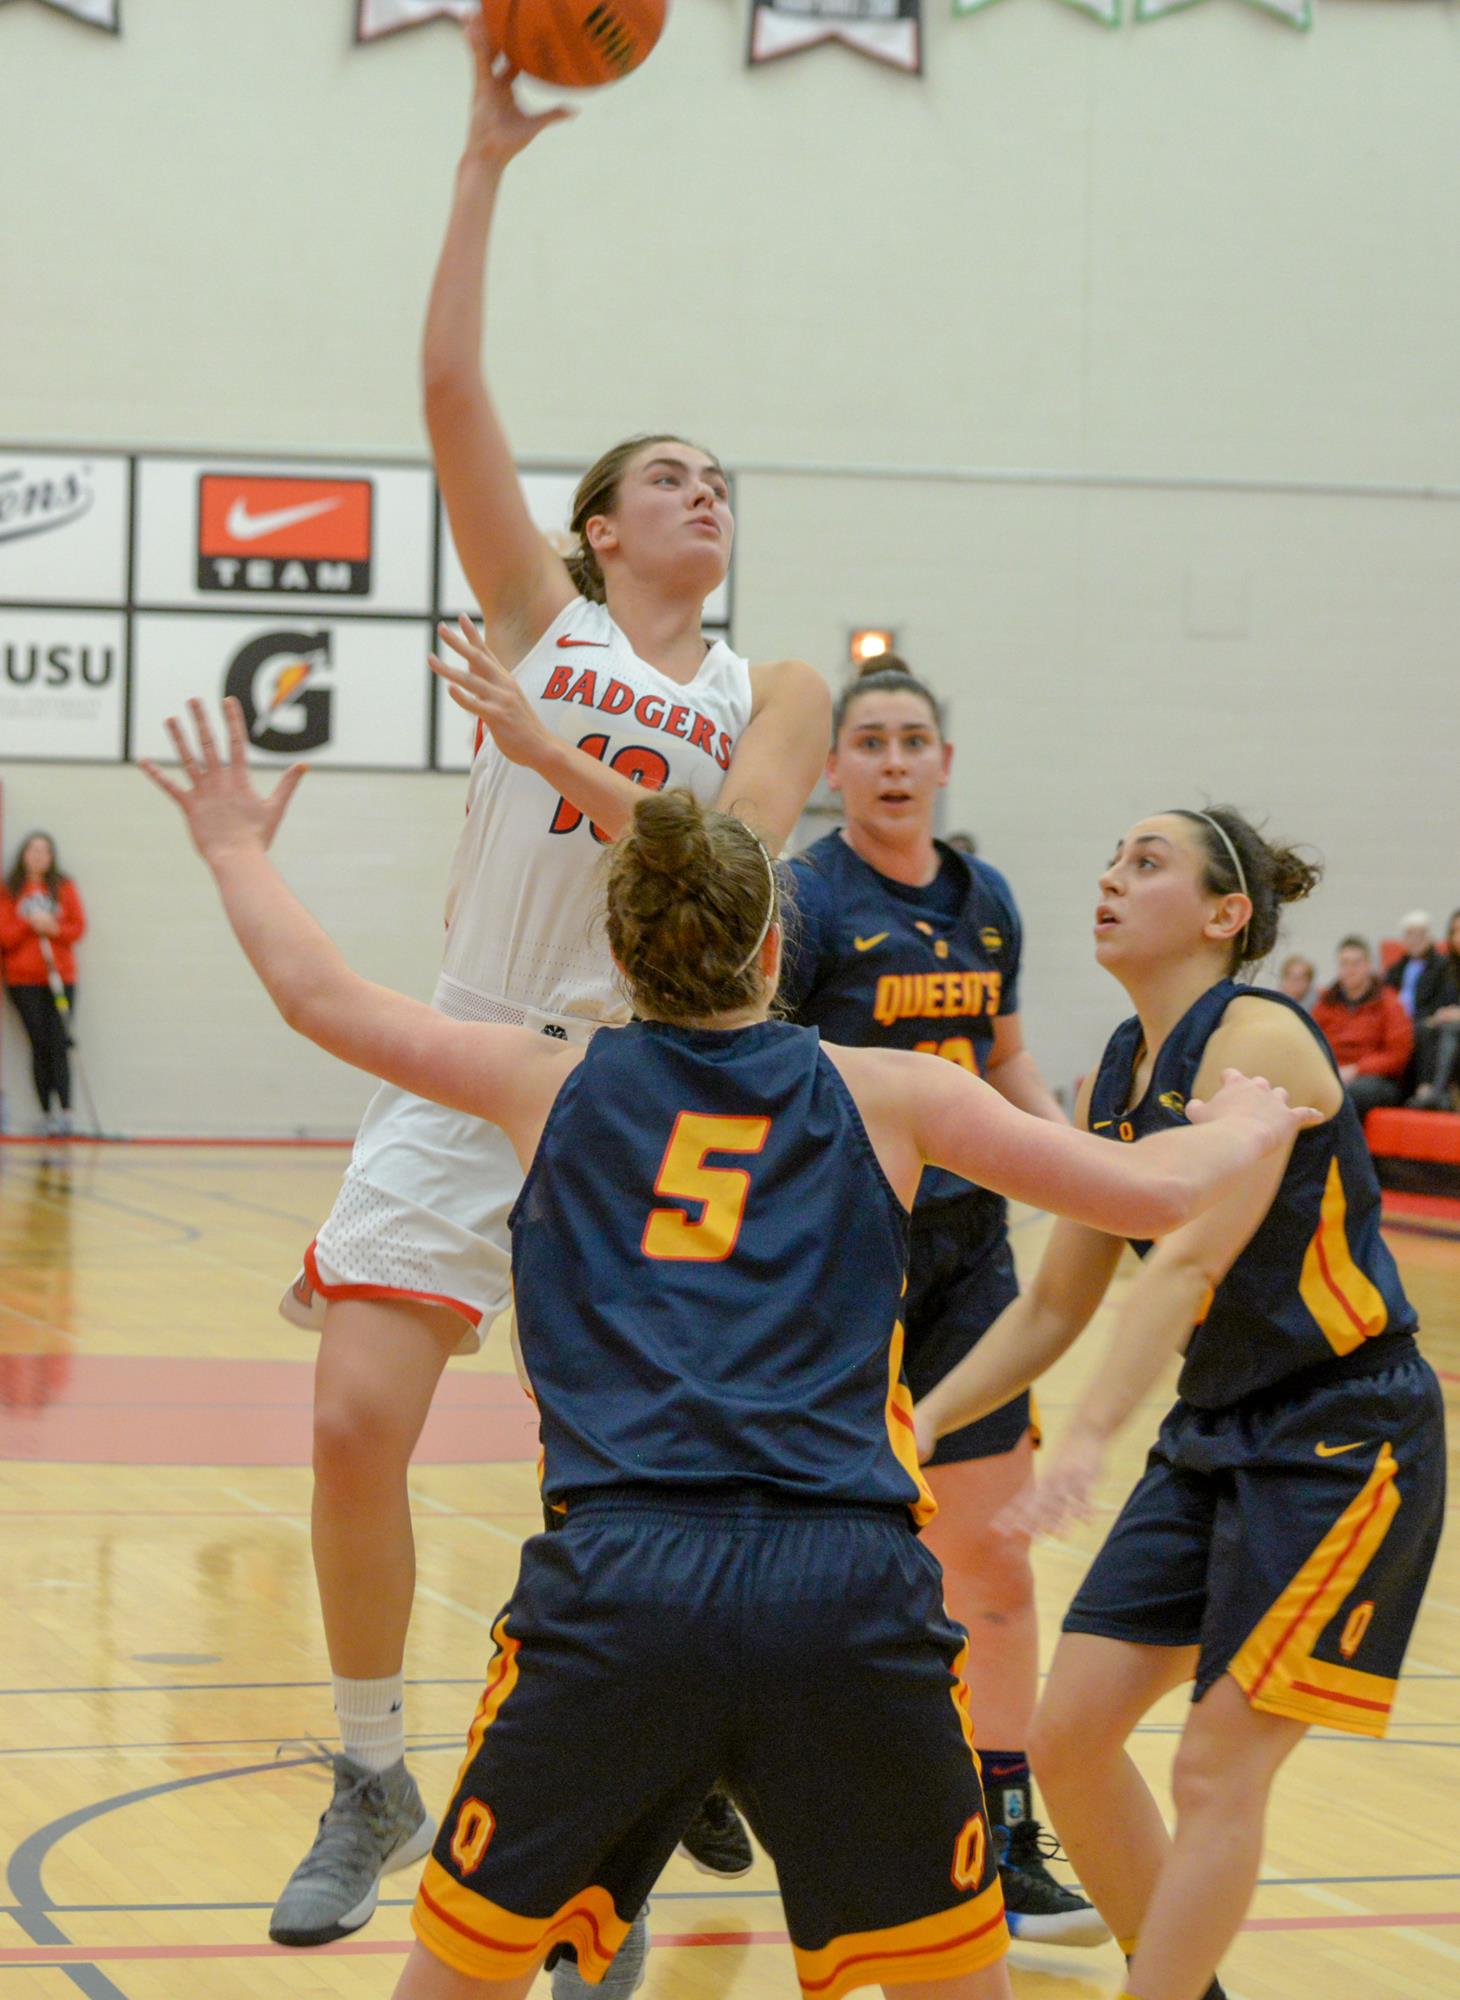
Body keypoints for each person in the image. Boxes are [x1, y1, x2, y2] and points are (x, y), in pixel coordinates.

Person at [142, 704, 1316, 2000]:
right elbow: (1145, 1196)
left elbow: (318, 997)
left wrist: (236, 845)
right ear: (775, 943)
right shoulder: (892, 1091)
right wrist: (1249, 1125)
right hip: (847, 1584)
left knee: (461, 1980)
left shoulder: (547, 1076)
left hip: (620, 1583)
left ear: (618, 943)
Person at [266, 22, 830, 1956]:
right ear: (598, 528)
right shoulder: (555, 620)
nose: (702, 494)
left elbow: (725, 871)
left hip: (662, 1081)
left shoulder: (772, 688)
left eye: (716, 482)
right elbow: (444, 387)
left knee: (641, 1478)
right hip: (477, 1042)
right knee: (354, 1421)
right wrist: (483, 162)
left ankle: (675, 1768)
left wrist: (557, 757)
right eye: (666, 477)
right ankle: (367, 1768)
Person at [914, 807, 1446, 2000]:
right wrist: (928, 1416)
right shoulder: (1120, 1062)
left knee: (1214, 1768)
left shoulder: (1261, 1043)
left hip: (1343, 1433)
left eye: (1144, 863)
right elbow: (1053, 1303)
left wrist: (1089, 1433)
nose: (1108, 876)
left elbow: (1196, 1263)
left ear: (1223, 914)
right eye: (1108, 857)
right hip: (1213, 1433)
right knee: (1065, 1741)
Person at [779, 655, 1104, 1946]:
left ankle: (1003, 1831)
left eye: (917, 740)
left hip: (973, 1267)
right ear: (832, 769)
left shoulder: (987, 900)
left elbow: (1011, 1060)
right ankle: (786, 1780)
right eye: (872, 742)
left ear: (946, 763)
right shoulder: (804, 901)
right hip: (838, 1266)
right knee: (829, 1552)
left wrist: (1088, 1168)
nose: (897, 761)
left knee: (993, 1556)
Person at [0, 831, 86, 1137]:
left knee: (59, 1042)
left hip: (60, 979)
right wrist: (28, 922)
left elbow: (77, 928)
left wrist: (52, 926)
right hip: (24, 982)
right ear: (24, 855)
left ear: (51, 857)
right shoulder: (9, 889)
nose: (38, 856)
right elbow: (5, 936)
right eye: (32, 850)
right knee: (39, 1044)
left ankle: (66, 1113)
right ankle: (46, 1114)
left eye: (44, 851)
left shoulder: (63, 886)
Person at [1312, 936, 1413, 1117]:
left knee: (1349, 1094)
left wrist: (1357, 1069)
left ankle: (1345, 1145)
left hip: (1375, 1079)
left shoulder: (1388, 1001)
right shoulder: (1326, 1002)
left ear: (1368, 966)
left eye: (1356, 963)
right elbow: (1310, 1041)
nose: (1350, 970)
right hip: (1333, 1072)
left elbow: (1397, 1054)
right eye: (1344, 964)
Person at [1409, 906, 1460, 1109]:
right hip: (1445, 1028)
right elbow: (1427, 1005)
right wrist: (1439, 1015)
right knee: (1425, 1028)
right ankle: (1425, 1088)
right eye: (1455, 931)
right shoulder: (1444, 967)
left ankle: (1436, 1091)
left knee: (1450, 1030)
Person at [1382, 909, 1443, 1021]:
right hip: (1397, 1022)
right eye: (1410, 934)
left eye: (1420, 934)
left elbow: (1441, 1003)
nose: (1415, 939)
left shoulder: (1443, 967)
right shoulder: (1397, 968)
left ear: (1430, 937)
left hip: (1426, 1024)